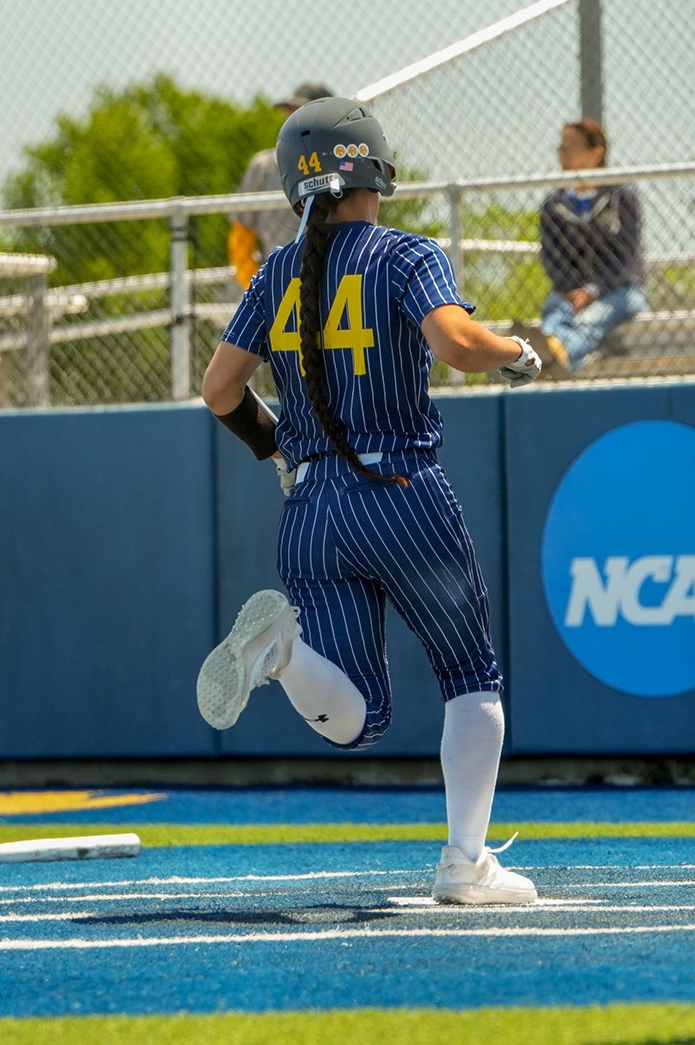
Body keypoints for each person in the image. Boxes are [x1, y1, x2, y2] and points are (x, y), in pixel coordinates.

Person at [197, 97, 543, 904]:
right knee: (471, 675)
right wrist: (520, 351)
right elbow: (458, 345)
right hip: (401, 492)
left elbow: (219, 389)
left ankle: (281, 655)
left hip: (311, 509)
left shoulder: (274, 272)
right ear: (377, 170)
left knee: (359, 720)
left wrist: (278, 445)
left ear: (295, 186)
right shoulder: (404, 254)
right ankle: (465, 865)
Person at [519, 119, 647, 378]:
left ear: (596, 152)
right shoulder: (554, 204)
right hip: (569, 292)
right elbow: (553, 260)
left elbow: (627, 257)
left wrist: (593, 291)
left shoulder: (621, 196)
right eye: (560, 146)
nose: (562, 153)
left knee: (591, 319)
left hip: (620, 289)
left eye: (571, 146)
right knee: (555, 313)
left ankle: (549, 359)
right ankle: (548, 354)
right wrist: (574, 290)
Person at [229, 83, 332, 290]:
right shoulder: (264, 167)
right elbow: (241, 235)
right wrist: (257, 286)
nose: (291, 118)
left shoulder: (339, 164)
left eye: (301, 112)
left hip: (332, 279)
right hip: (278, 281)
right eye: (290, 112)